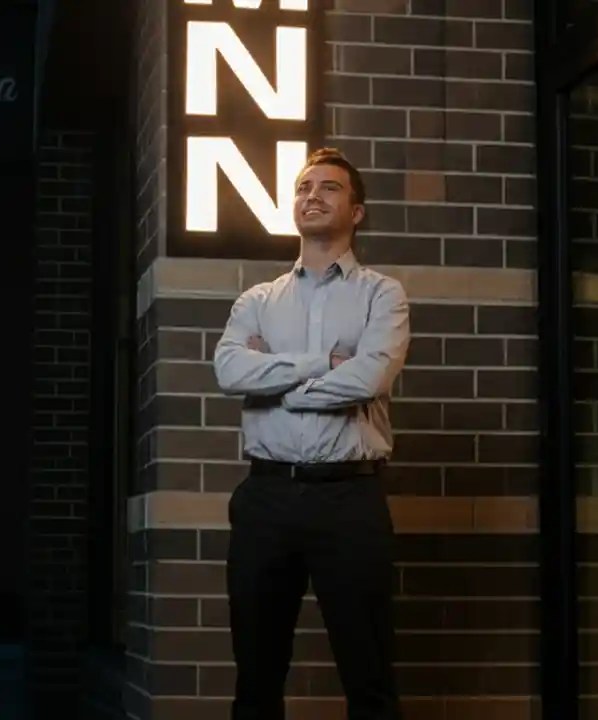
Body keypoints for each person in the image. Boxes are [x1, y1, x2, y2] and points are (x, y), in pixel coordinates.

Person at [213, 147, 410, 720]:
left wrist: (277, 384)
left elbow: (370, 377)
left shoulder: (382, 294)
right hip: (267, 498)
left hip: (350, 499)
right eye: (303, 187)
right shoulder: (257, 300)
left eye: (329, 187)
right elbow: (229, 370)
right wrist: (323, 363)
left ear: (357, 212)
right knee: (256, 679)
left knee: (369, 679)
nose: (312, 195)